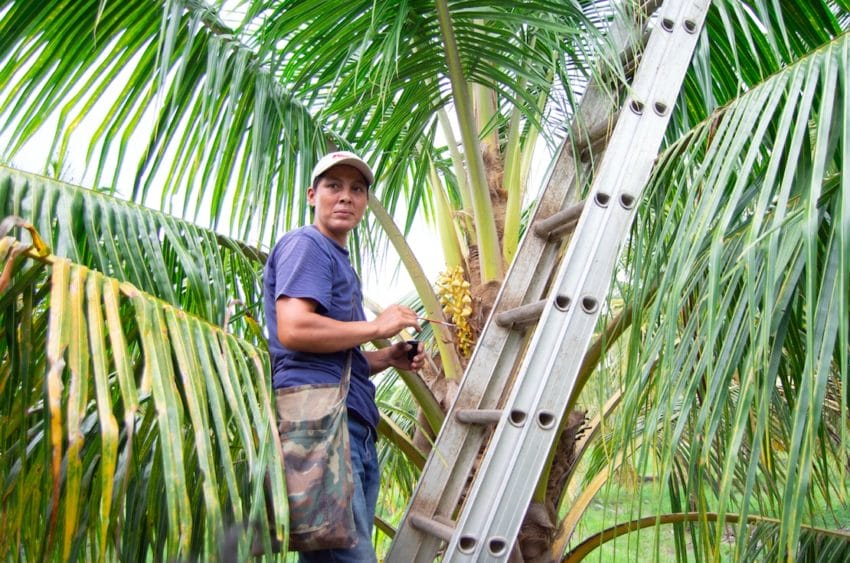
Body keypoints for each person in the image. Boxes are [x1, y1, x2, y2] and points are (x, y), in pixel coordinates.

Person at [263, 150, 425, 562]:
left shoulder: (336, 259)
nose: (345, 197)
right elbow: (295, 328)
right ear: (312, 195)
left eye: (357, 189)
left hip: (347, 426)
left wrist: (387, 356)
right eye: (334, 186)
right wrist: (376, 326)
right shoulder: (308, 245)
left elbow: (334, 355)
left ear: (366, 203)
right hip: (325, 426)